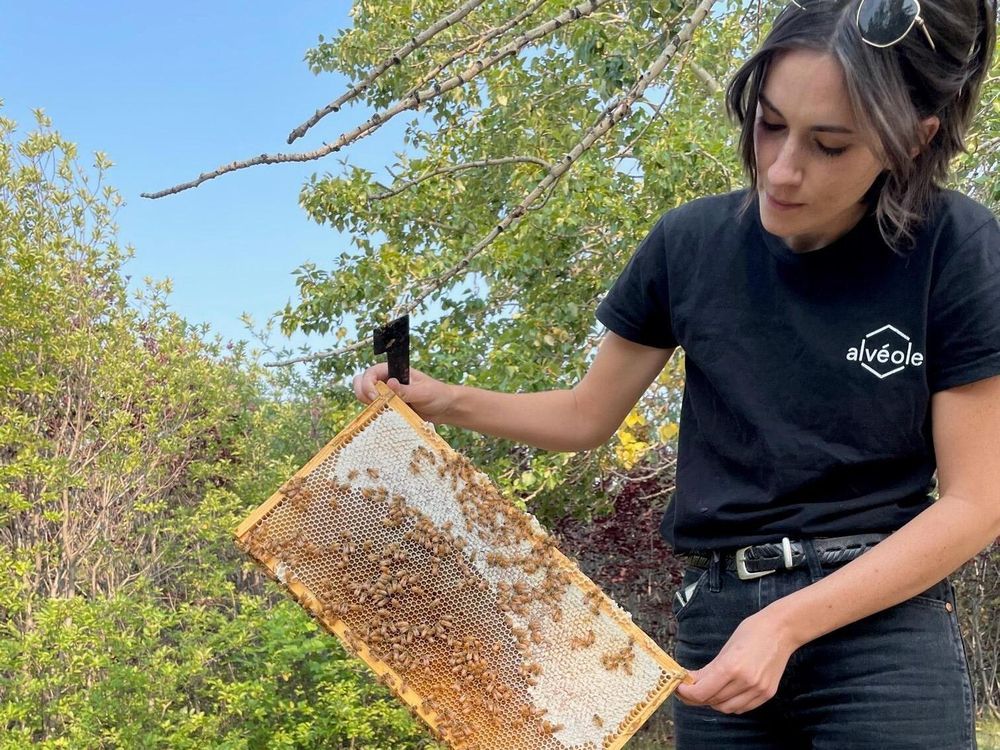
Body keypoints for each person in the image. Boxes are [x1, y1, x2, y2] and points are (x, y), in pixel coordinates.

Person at [355, 0, 1000, 745]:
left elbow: (976, 504)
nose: (782, 170)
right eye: (768, 124)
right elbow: (583, 416)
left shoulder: (957, 248)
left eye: (830, 146)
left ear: (911, 142)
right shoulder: (688, 244)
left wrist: (785, 624)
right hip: (717, 617)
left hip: (882, 629)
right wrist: (441, 399)